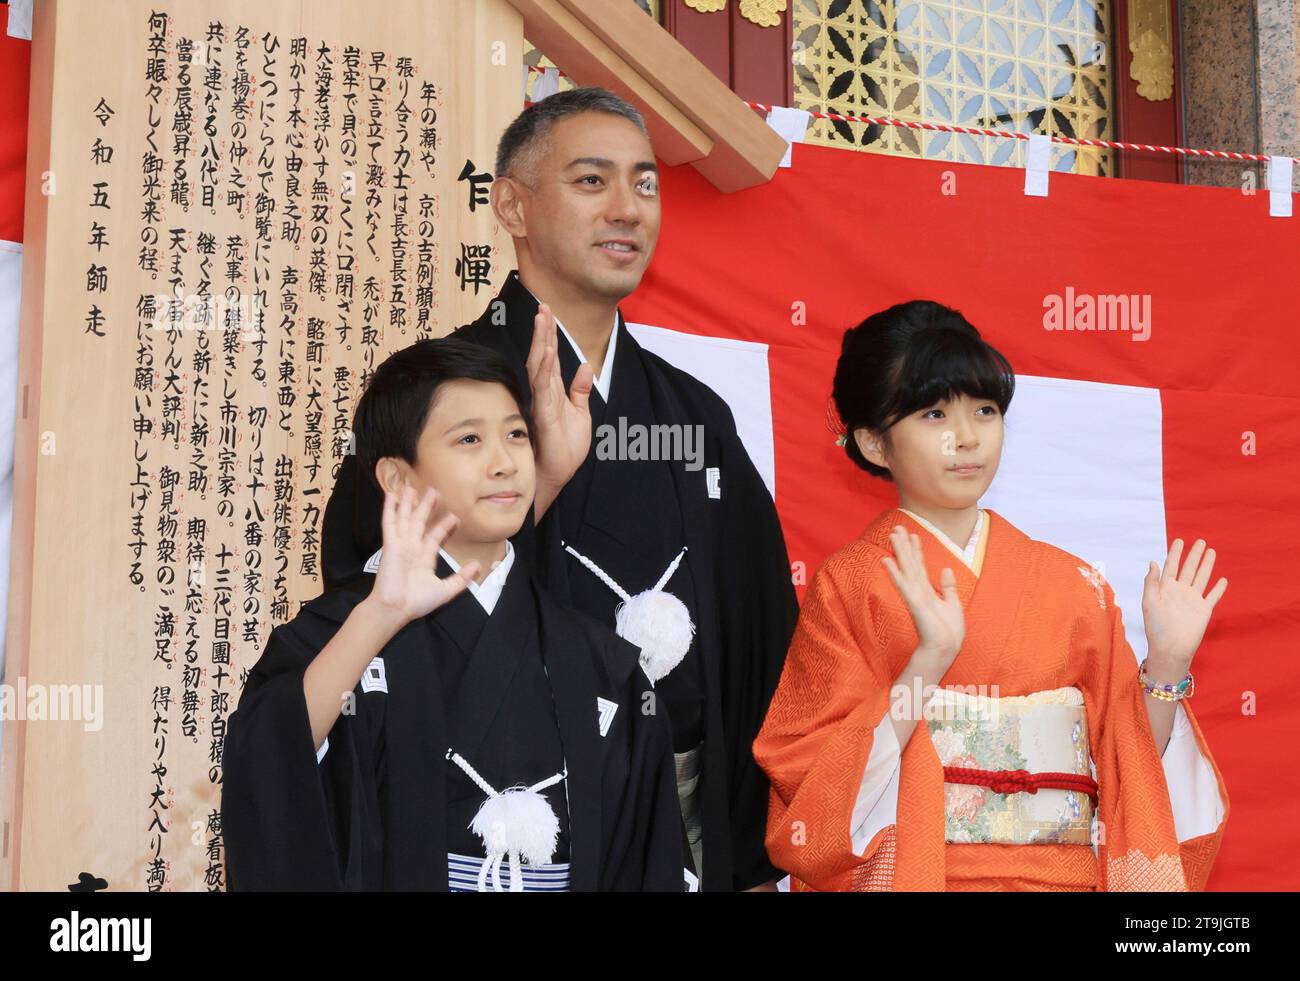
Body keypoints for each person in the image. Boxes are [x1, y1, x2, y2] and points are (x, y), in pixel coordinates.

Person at [320, 87, 798, 891]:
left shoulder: (694, 413)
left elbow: (759, 636)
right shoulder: (438, 394)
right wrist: (537, 481)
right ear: (511, 204)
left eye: (645, 184)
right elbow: (374, 584)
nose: (628, 208)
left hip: (677, 809)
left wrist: (749, 853)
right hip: (490, 815)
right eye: (591, 180)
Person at [753, 300, 1230, 891]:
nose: (967, 437)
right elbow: (811, 781)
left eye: (984, 410)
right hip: (922, 876)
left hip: (1064, 881)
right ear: (874, 443)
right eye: (933, 415)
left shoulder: (1073, 584)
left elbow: (1127, 763)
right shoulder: (849, 584)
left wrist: (1168, 662)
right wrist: (927, 664)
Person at [223, 337, 686, 891]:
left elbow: (651, 856)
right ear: (397, 477)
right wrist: (379, 617)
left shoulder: (600, 660)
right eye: (469, 439)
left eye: (516, 434)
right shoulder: (338, 636)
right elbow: (268, 770)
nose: (503, 461)